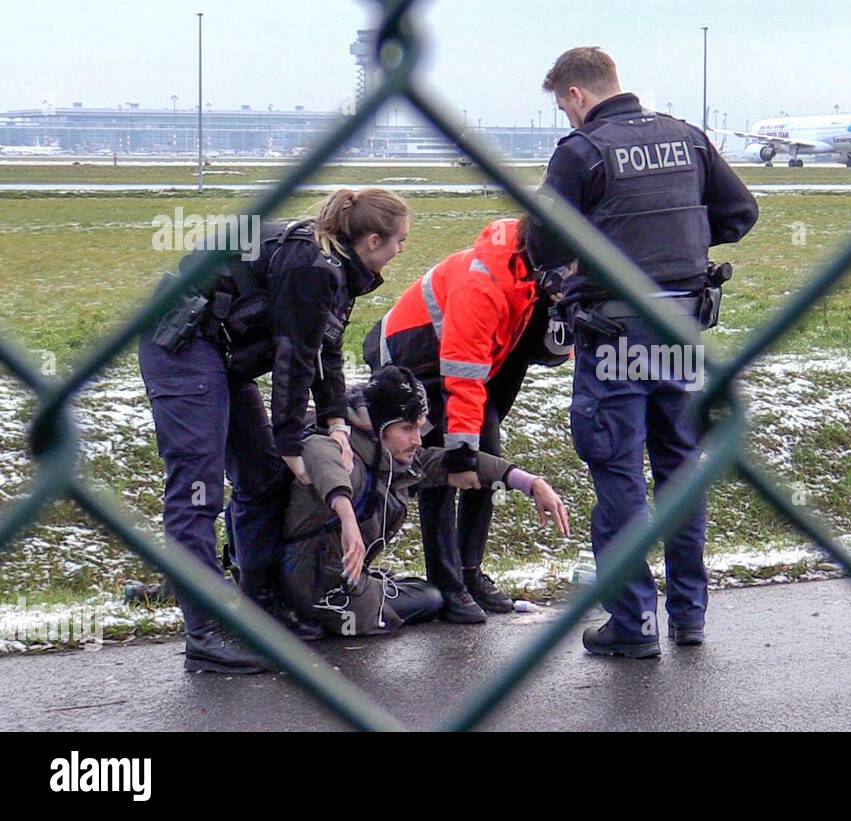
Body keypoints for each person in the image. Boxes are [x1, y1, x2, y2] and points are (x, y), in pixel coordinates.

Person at [526, 47, 759, 657]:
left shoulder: (582, 152)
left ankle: (632, 624)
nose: (566, 118)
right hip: (681, 328)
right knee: (681, 470)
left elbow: (540, 240)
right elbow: (740, 213)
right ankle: (689, 615)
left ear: (577, 95)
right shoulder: (688, 138)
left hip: (612, 335)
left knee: (619, 475)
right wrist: (678, 239)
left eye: (563, 106)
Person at [138, 187, 409, 673]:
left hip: (221, 354)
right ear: (371, 240)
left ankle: (258, 603)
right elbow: (292, 360)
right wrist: (289, 441)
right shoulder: (312, 267)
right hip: (181, 346)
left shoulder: (338, 269)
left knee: (261, 477)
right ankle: (207, 631)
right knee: (197, 493)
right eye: (398, 241)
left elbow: (324, 349)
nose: (401, 251)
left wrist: (336, 423)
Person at [363, 217, 571, 623]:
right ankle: (446, 581)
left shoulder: (528, 264)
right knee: (444, 471)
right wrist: (461, 458)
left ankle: (469, 571)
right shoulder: (482, 284)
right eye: (569, 270)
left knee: (487, 463)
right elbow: (462, 377)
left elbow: (518, 355)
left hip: (469, 366)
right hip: (415, 360)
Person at [279, 366, 569, 635]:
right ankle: (310, 617)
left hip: (338, 579)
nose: (417, 439)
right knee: (424, 601)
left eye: (418, 427)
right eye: (406, 428)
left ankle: (362, 595)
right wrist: (346, 515)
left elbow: (456, 463)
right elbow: (320, 454)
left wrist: (532, 483)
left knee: (427, 594)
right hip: (311, 587)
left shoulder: (392, 460)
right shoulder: (344, 452)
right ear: (379, 426)